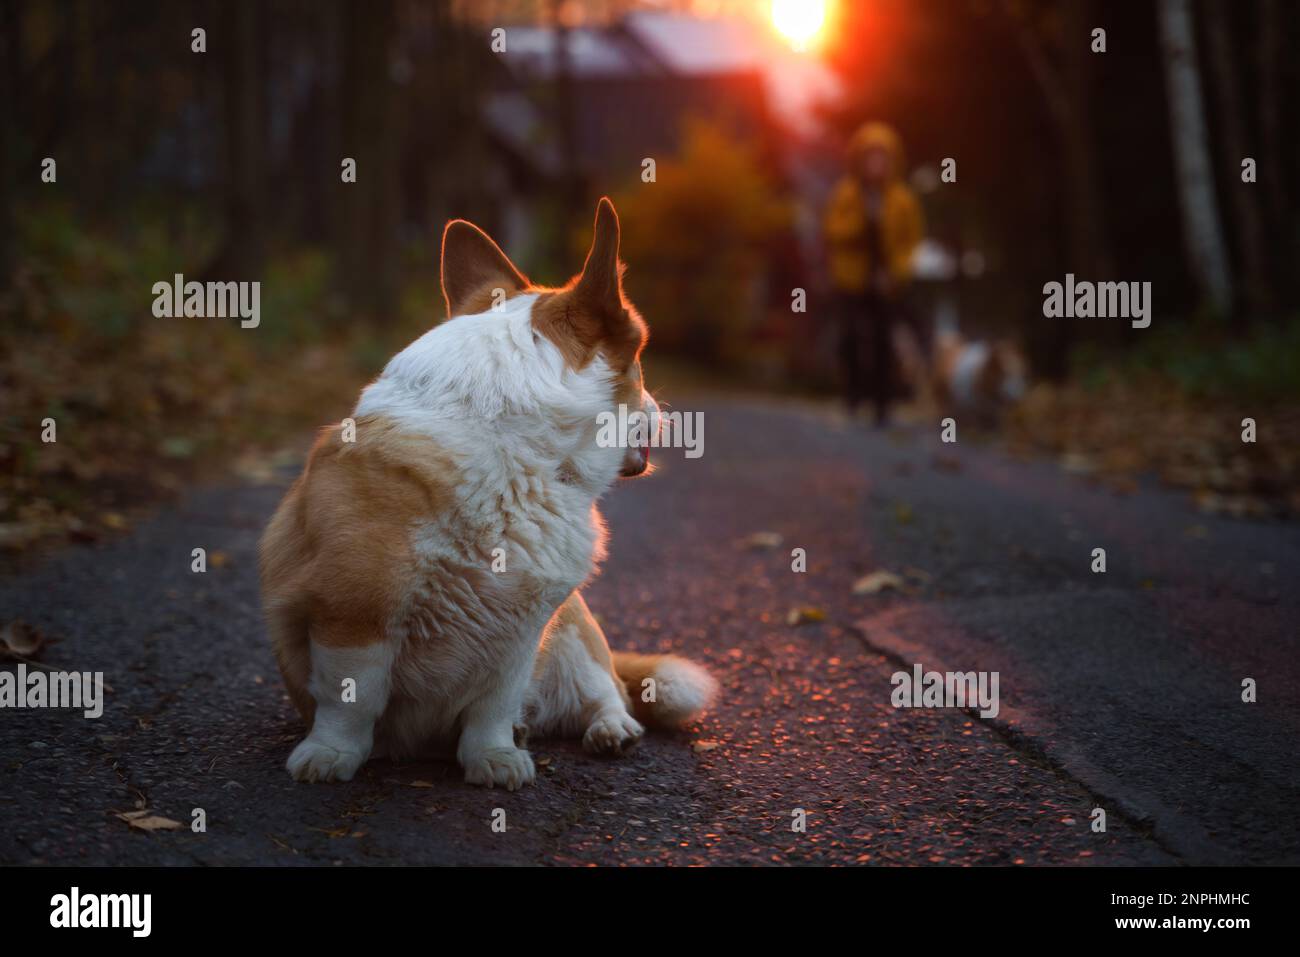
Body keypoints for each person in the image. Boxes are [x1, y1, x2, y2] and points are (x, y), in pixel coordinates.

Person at [823, 121, 925, 426]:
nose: (876, 164)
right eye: (870, 157)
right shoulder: (847, 194)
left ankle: (883, 405)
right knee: (851, 338)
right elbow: (832, 231)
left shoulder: (903, 199)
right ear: (860, 160)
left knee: (884, 340)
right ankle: (852, 398)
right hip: (852, 279)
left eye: (882, 158)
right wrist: (863, 221)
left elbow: (911, 241)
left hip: (886, 281)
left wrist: (898, 272)